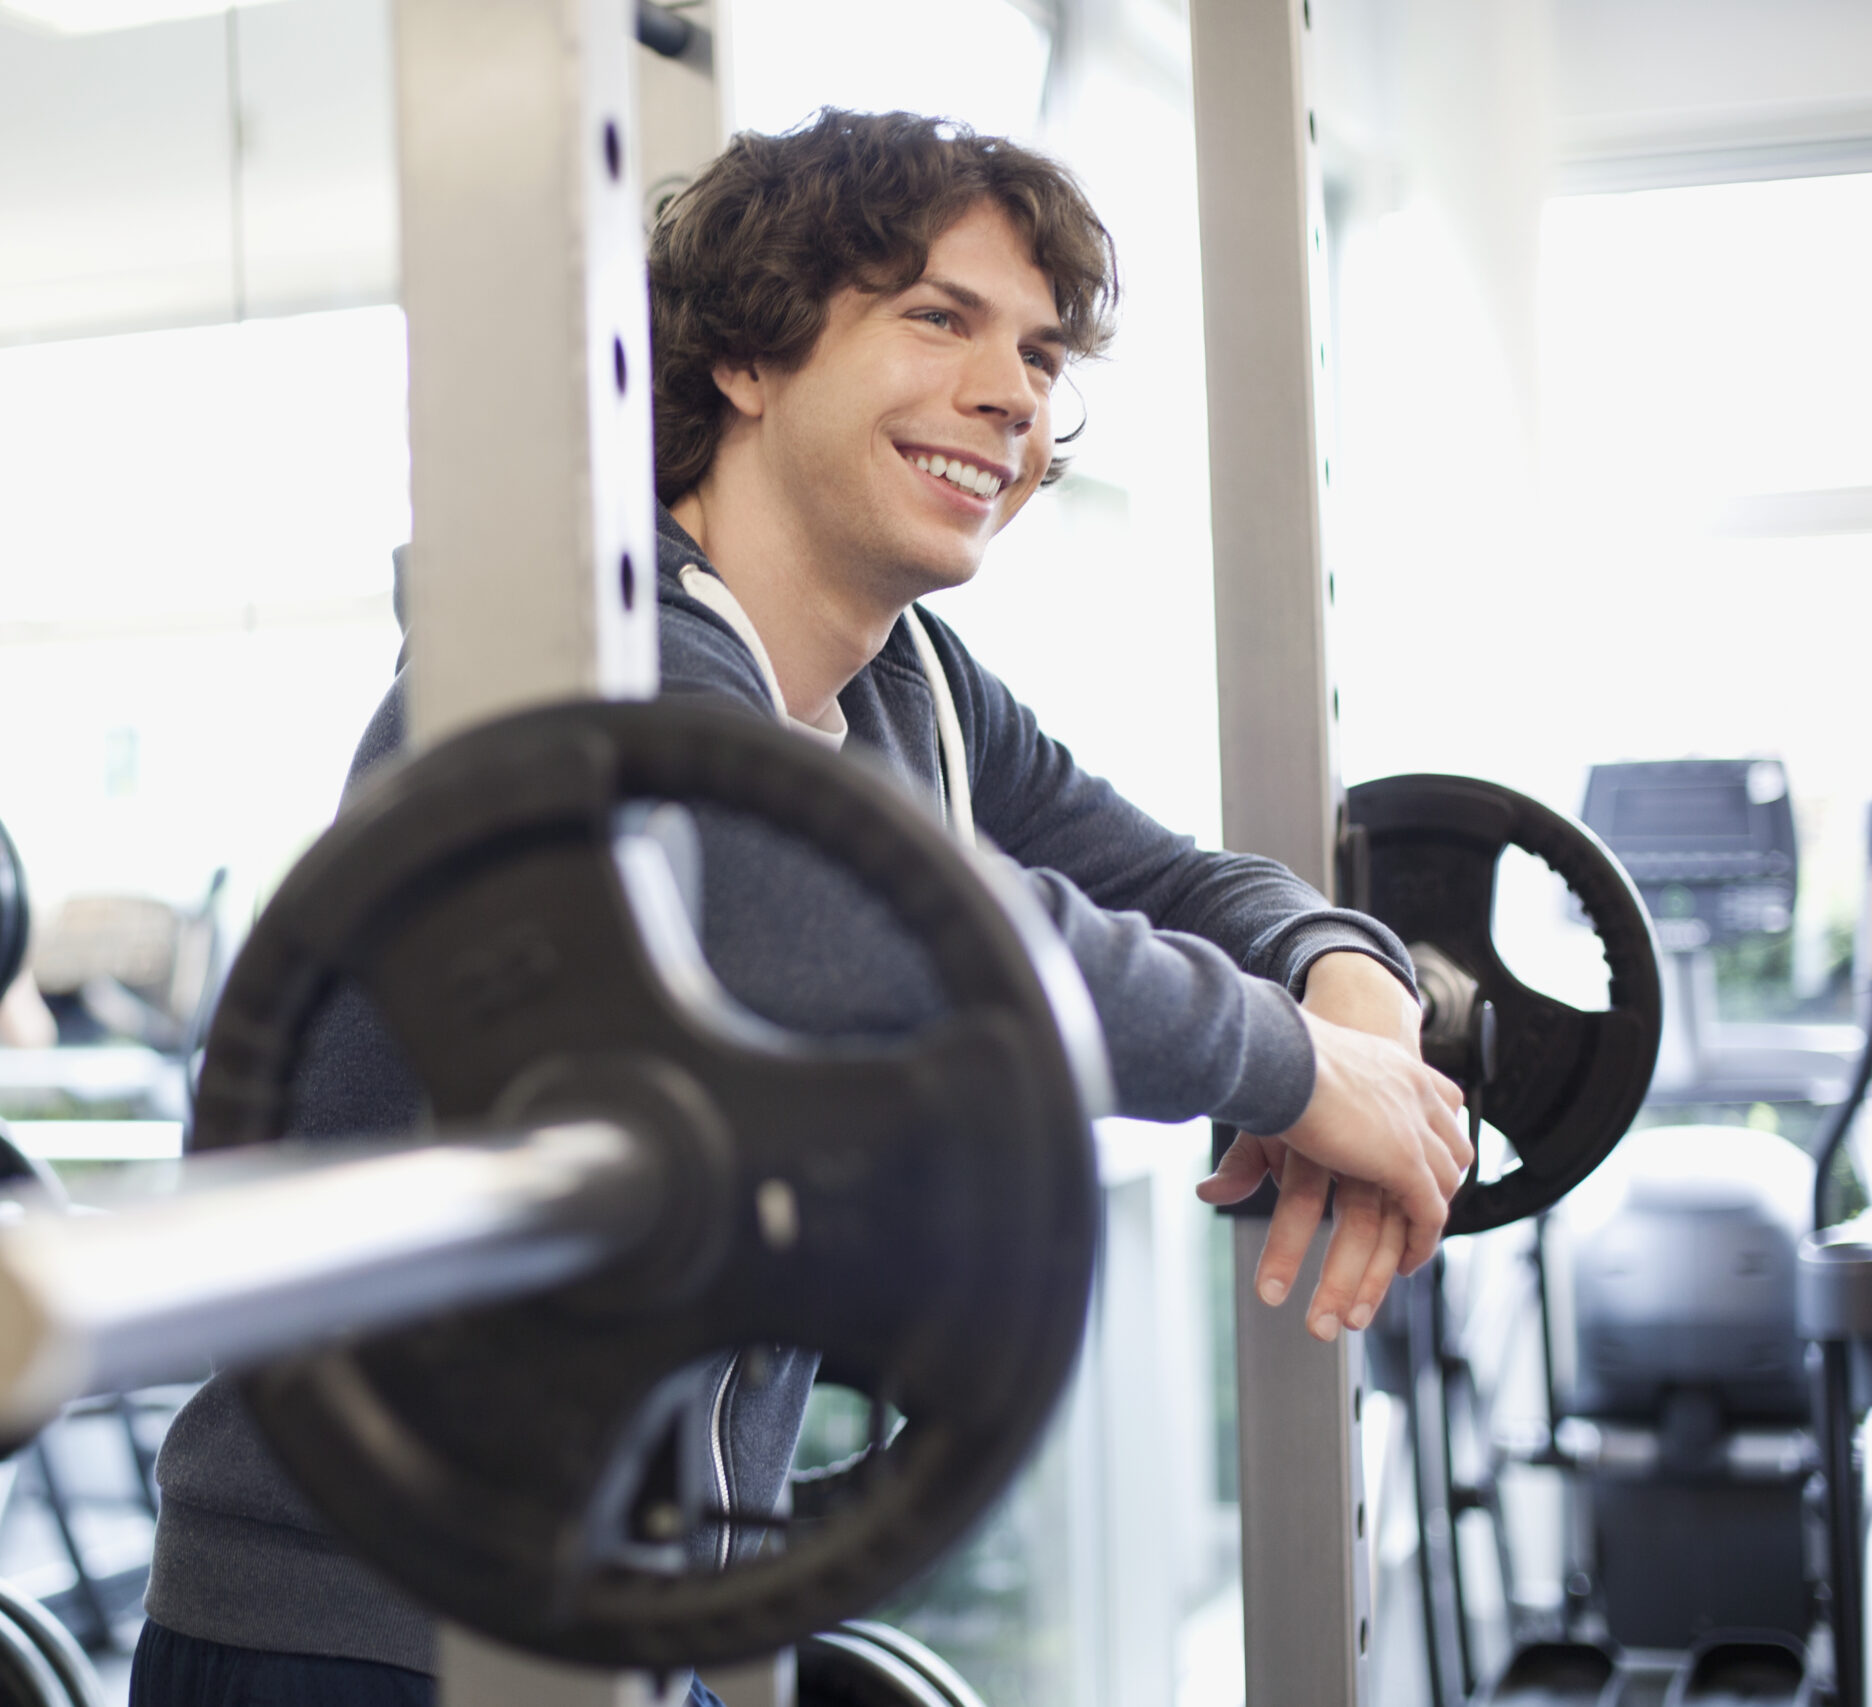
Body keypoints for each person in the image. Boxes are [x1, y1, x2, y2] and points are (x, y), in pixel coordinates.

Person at [129, 108, 1471, 1705]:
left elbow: (1179, 886)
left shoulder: (916, 690)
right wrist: (1301, 1073)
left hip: (634, 1613)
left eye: (1042, 354)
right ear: (747, 357)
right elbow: (871, 924)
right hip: (361, 1633)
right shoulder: (574, 655)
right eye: (941, 319)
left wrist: (1349, 984)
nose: (1013, 393)